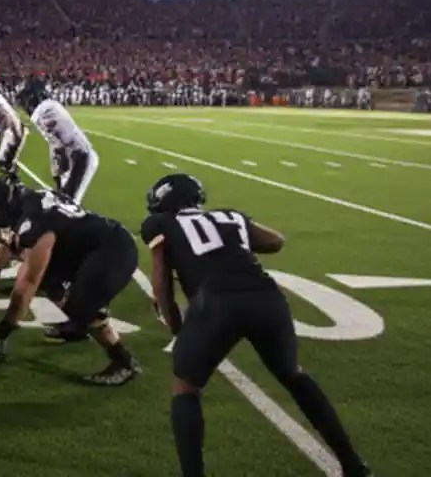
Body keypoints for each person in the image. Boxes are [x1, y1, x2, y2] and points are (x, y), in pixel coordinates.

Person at [142, 173, 370, 477]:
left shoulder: (159, 225)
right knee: (293, 375)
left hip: (216, 303)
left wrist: (174, 323)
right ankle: (353, 464)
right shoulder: (230, 216)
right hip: (266, 298)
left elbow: (161, 284)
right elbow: (275, 241)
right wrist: (233, 238)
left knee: (186, 388)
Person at [0, 176, 141, 385]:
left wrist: (2, 332)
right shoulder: (30, 203)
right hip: (92, 248)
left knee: (80, 306)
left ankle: (124, 362)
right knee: (51, 280)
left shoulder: (34, 223)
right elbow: (0, 257)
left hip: (112, 251)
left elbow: (26, 286)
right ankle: (79, 327)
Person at [17, 78, 98, 204]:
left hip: (80, 158)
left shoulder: (45, 110)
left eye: (25, 100)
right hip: (73, 158)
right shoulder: (48, 108)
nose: (24, 105)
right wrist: (59, 176)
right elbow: (57, 145)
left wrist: (68, 186)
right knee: (63, 204)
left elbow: (76, 149)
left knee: (68, 205)